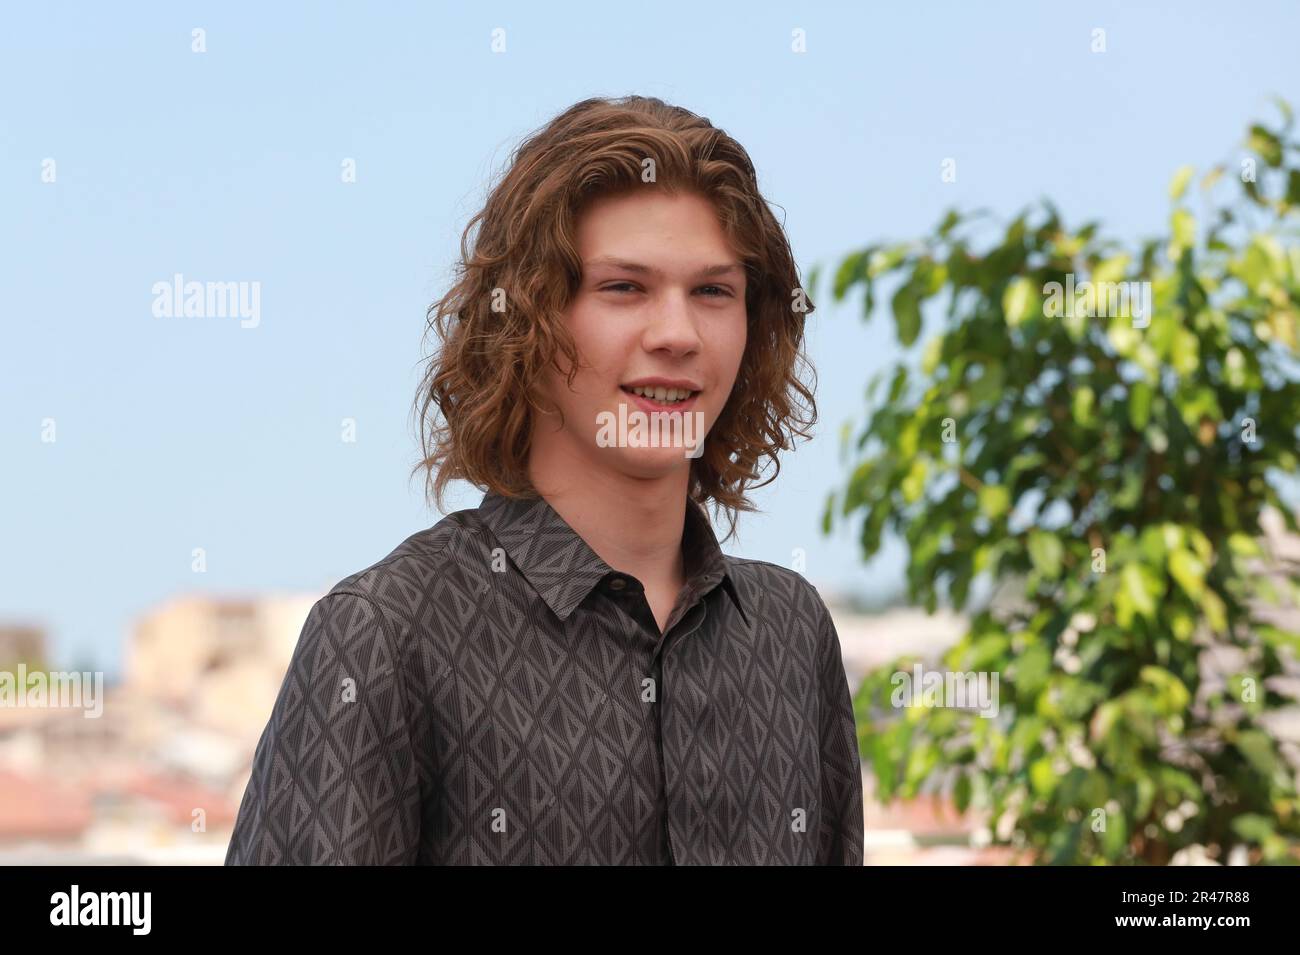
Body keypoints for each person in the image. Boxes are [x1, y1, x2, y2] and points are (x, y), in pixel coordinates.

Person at [225, 95, 863, 865]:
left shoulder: (791, 635)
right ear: (526, 319)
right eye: (624, 287)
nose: (677, 334)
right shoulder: (386, 637)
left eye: (713, 291)